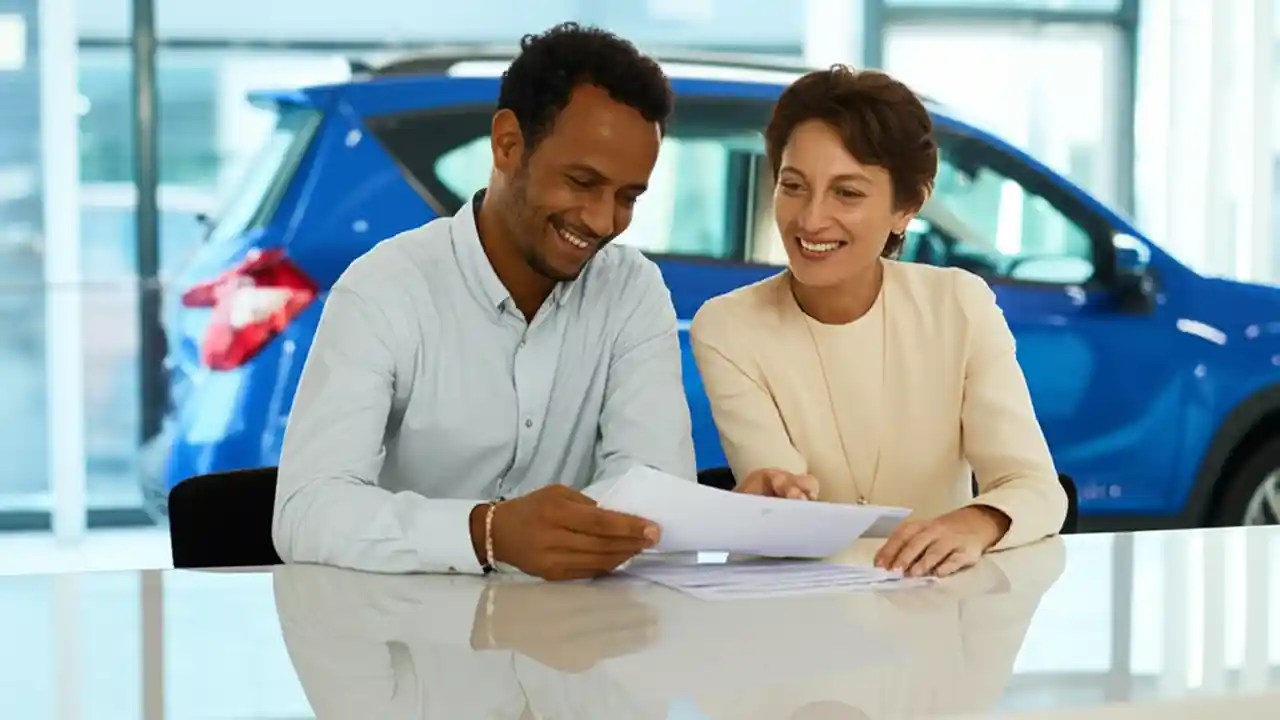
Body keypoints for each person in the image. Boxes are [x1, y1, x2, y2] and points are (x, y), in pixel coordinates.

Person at [272, 23, 696, 581]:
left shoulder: (632, 292)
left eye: (627, 197)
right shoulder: (384, 289)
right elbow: (306, 512)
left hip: (573, 648)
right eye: (581, 181)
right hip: (410, 645)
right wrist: (485, 533)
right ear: (507, 144)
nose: (602, 221)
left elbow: (658, 489)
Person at [689, 66, 1066, 578]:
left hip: (938, 612)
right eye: (793, 185)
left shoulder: (958, 305)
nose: (811, 219)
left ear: (906, 207)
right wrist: (765, 505)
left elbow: (1037, 487)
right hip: (807, 615)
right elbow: (787, 512)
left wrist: (977, 522)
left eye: (847, 193)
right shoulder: (729, 327)